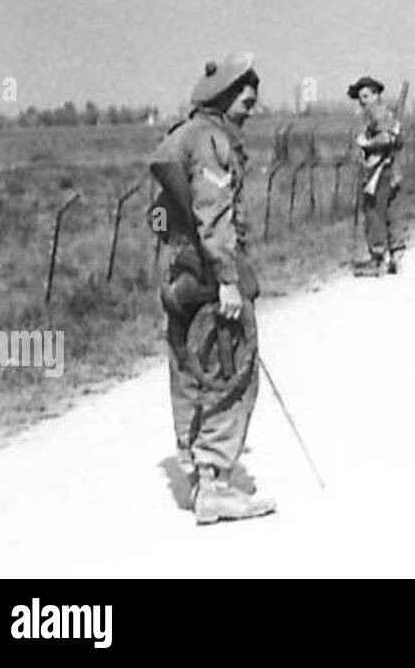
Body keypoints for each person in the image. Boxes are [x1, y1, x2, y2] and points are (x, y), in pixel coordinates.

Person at [149, 52, 276, 525]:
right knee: (232, 368)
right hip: (208, 276)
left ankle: (195, 468)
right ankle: (217, 484)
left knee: (189, 369)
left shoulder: (177, 138)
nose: (250, 109)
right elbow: (215, 215)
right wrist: (226, 280)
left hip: (177, 275)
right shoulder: (212, 143)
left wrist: (171, 257)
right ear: (224, 97)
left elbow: (157, 214)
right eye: (245, 100)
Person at [348, 75, 407, 276]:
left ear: (376, 95)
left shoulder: (378, 113)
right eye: (360, 97)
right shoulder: (385, 113)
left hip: (380, 171)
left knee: (374, 213)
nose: (362, 101)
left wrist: (366, 143)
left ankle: (378, 257)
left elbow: (388, 138)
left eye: (365, 96)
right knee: (390, 212)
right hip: (391, 170)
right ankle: (396, 254)